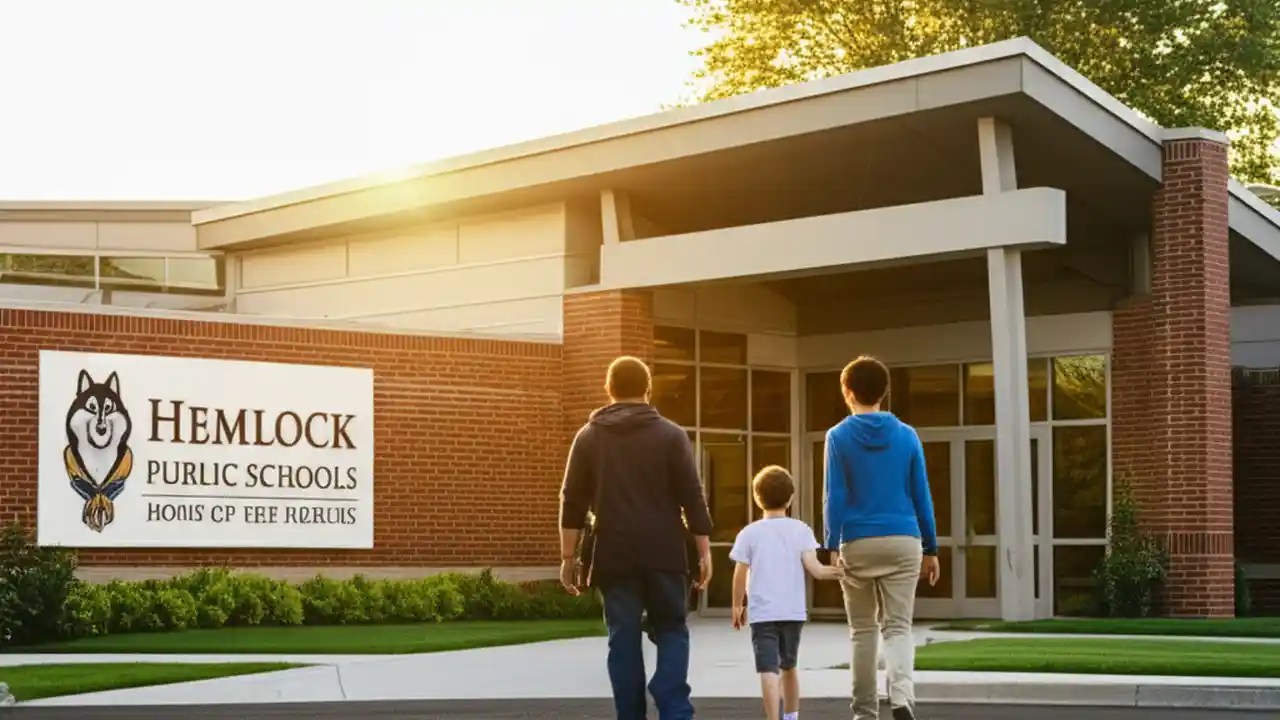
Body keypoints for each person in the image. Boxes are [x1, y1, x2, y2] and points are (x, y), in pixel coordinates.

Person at [559, 355, 714, 720]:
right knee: (673, 626)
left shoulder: (589, 436)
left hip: (614, 553)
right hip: (666, 551)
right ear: (648, 389)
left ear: (608, 389)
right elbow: (692, 495)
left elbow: (572, 501)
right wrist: (704, 552)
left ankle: (630, 714)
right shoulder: (671, 435)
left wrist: (568, 559)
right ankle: (673, 702)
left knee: (623, 636)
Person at [823, 356, 940, 720]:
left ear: (847, 391)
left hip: (857, 540)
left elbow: (835, 495)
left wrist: (830, 544)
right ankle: (902, 698)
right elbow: (921, 493)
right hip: (904, 539)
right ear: (884, 392)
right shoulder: (907, 435)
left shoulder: (838, 436)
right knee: (898, 627)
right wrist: (931, 548)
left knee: (862, 629)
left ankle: (864, 712)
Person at [730, 465, 843, 720]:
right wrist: (840, 572)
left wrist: (738, 605)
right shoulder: (800, 529)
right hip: (792, 612)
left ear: (757, 498)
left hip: (762, 614)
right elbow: (816, 569)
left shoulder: (749, 533)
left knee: (768, 669)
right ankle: (792, 717)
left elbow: (740, 572)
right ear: (790, 498)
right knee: (789, 666)